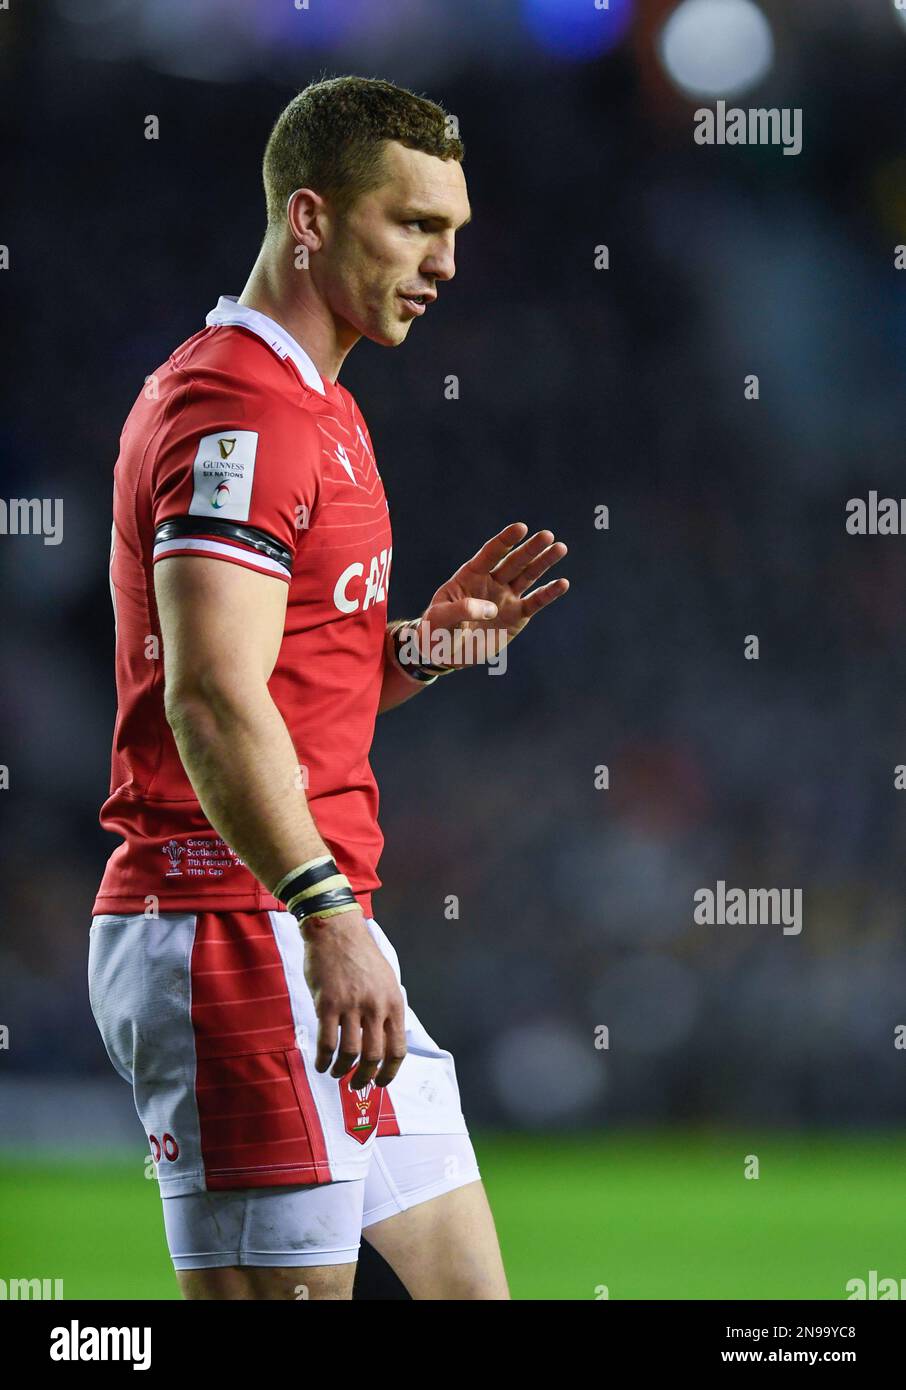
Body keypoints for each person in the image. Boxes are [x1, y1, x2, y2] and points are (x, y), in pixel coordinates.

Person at [89, 73, 569, 1301]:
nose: (446, 262)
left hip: (303, 913)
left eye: (454, 230)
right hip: (231, 924)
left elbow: (289, 681)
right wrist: (324, 913)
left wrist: (415, 648)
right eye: (415, 224)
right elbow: (207, 698)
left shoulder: (324, 408)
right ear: (309, 218)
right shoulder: (236, 412)